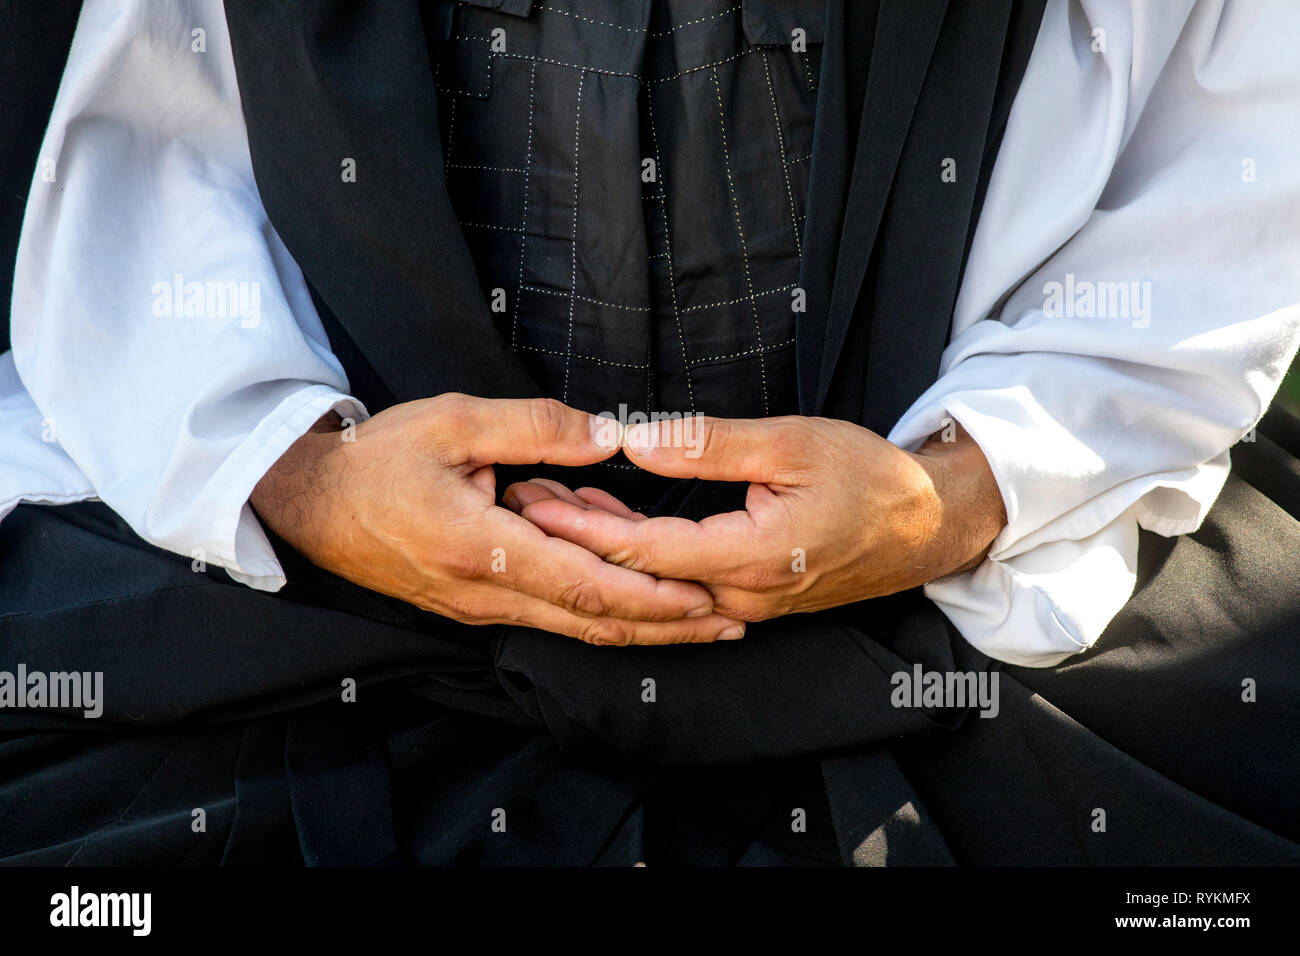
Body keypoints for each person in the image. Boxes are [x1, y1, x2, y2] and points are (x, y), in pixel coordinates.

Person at [1, 0, 1297, 865]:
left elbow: (1220, 159)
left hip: (978, 591)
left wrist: (947, 497)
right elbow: (170, 134)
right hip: (341, 626)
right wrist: (309, 480)